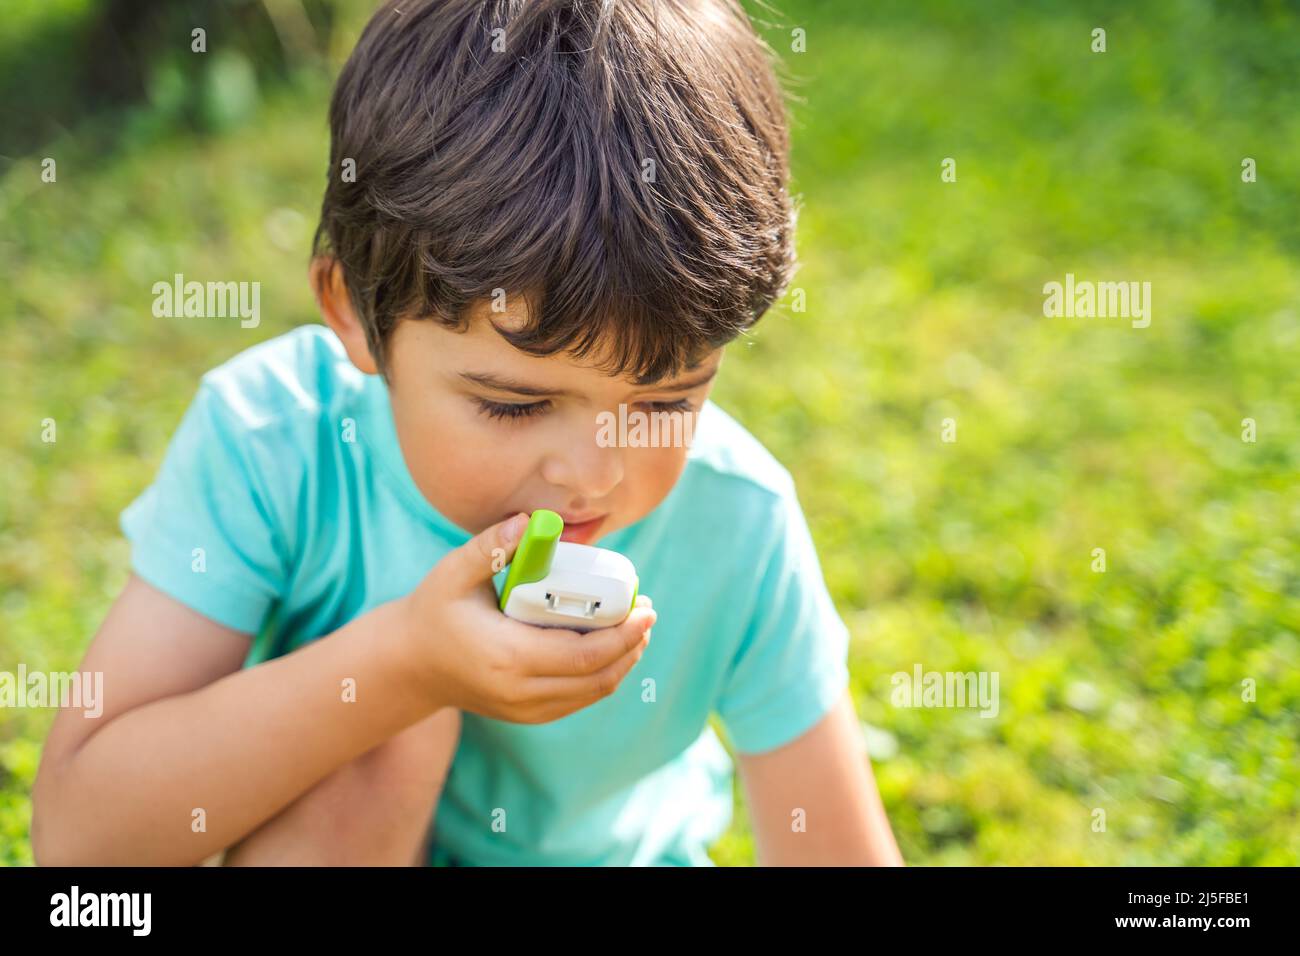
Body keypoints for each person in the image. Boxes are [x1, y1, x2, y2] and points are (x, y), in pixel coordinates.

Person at [31, 0, 902, 867]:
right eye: (515, 406)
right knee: (379, 746)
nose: (594, 475)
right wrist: (403, 665)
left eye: (667, 403)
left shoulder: (734, 518)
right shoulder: (274, 443)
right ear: (357, 317)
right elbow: (80, 845)